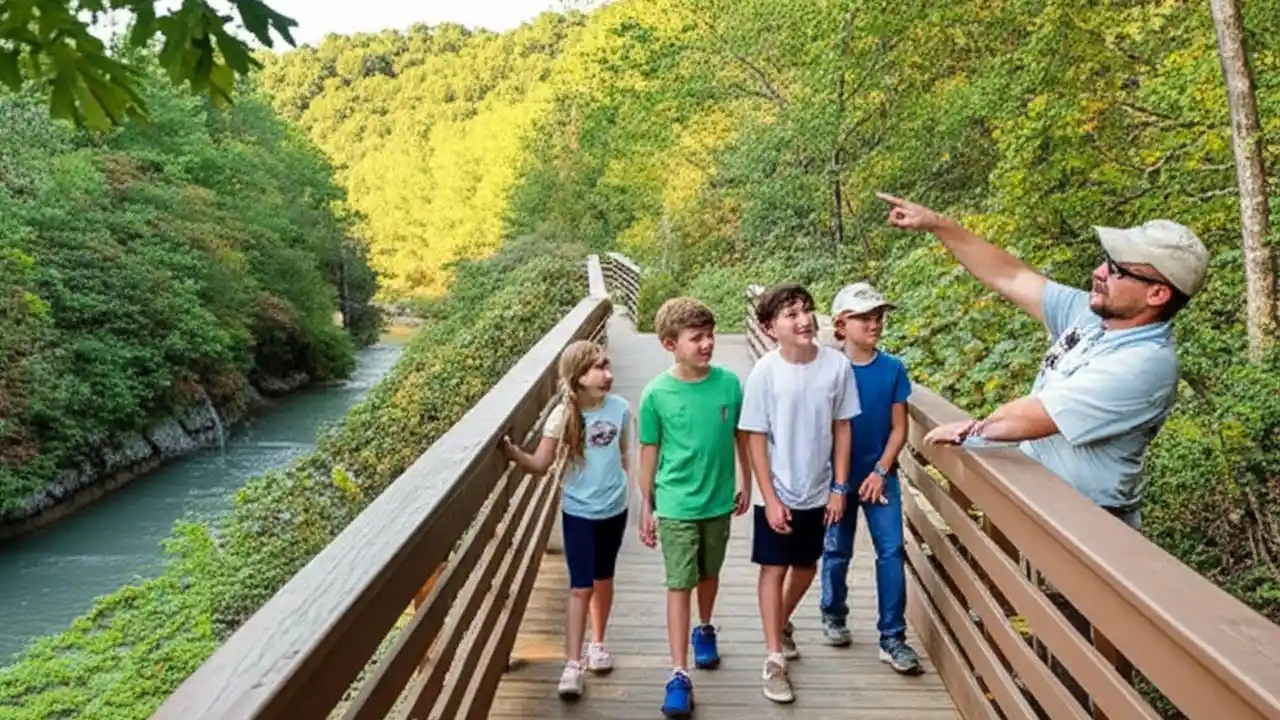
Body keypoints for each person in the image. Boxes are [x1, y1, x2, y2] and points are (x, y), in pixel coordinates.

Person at [876, 192, 1210, 528]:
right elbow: (1009, 275)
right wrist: (937, 224)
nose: (1099, 272)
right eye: (1106, 261)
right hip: (1041, 506)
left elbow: (1028, 418)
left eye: (1117, 270)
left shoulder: (1144, 364)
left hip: (1088, 529)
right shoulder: (1090, 316)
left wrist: (976, 429)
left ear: (1157, 294)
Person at [738, 283, 860, 704]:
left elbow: (843, 427)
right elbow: (754, 435)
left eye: (807, 310)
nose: (804, 319)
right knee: (773, 568)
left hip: (819, 487)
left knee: (806, 566)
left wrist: (840, 487)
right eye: (791, 314)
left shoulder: (836, 367)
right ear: (771, 328)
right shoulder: (765, 373)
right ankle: (774, 658)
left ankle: (781, 621)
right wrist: (768, 497)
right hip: (776, 489)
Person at [637, 296, 751, 719]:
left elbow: (742, 437)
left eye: (710, 336)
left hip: (719, 500)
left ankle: (705, 627)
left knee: (709, 572)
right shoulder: (656, 394)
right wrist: (645, 506)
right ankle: (678, 673)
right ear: (670, 344)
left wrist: (747, 479)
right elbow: (648, 452)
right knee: (679, 581)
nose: (707, 344)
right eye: (696, 338)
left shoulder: (729, 384)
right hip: (676, 502)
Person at [501, 339, 631, 699]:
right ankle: (572, 664)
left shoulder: (620, 408)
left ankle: (598, 643)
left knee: (604, 577)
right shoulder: (564, 416)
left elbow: (623, 455)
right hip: (579, 511)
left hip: (614, 508)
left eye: (607, 366)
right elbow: (541, 465)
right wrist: (513, 453)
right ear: (577, 378)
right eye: (596, 368)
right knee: (580, 586)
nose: (607, 374)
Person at [817, 282, 923, 675]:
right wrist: (832, 483)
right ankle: (833, 612)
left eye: (878, 316)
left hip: (880, 476)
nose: (874, 323)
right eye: (864, 317)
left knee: (891, 551)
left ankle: (892, 638)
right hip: (837, 477)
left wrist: (881, 470)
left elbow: (900, 428)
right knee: (836, 548)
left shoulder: (893, 369)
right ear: (841, 325)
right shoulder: (827, 368)